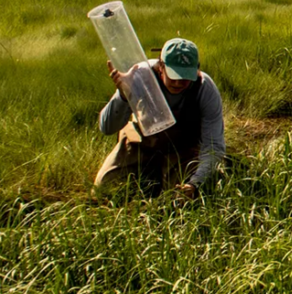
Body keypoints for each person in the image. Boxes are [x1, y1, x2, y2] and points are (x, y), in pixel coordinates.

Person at [94, 38, 225, 197]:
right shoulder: (138, 75)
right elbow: (106, 128)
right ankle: (148, 173)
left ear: (197, 70)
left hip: (181, 150)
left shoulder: (205, 88)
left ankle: (164, 178)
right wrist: (123, 95)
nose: (178, 83)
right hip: (140, 143)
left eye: (184, 77)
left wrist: (195, 183)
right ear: (160, 66)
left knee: (184, 196)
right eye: (173, 75)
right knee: (104, 188)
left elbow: (214, 146)